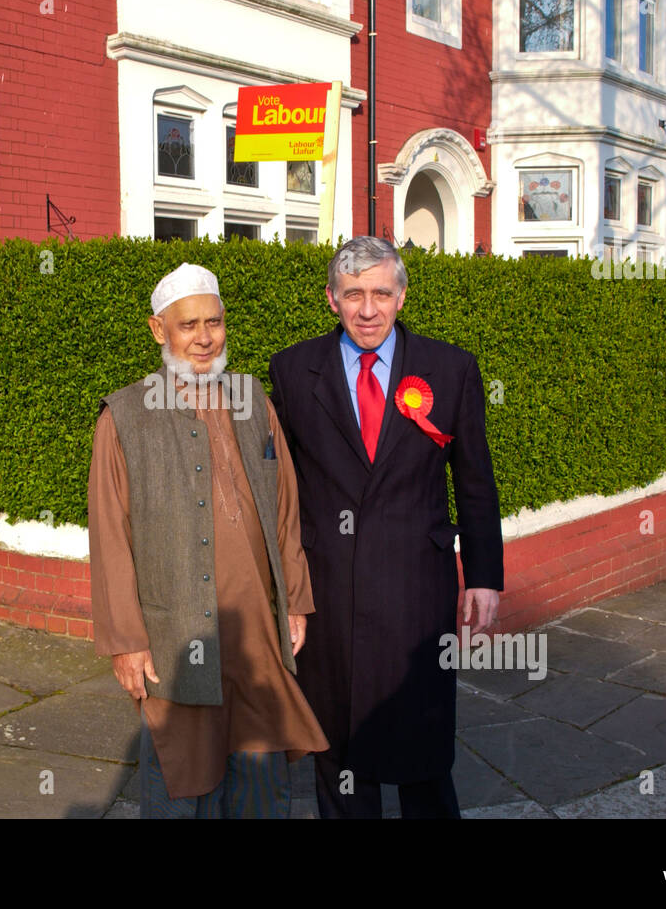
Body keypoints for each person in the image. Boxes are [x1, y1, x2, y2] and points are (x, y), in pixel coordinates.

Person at [268, 236, 504, 819]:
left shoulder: (450, 369)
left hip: (415, 591)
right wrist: (285, 588)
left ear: (401, 296)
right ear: (331, 299)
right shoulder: (294, 370)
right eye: (353, 294)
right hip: (330, 590)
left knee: (422, 749)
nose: (367, 309)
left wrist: (484, 577)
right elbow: (283, 490)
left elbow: (474, 480)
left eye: (379, 292)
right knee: (341, 754)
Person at [88, 262, 328, 818]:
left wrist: (294, 600)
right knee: (182, 783)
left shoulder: (253, 400)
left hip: (257, 637)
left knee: (262, 780)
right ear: (158, 330)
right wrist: (126, 640)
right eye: (188, 325)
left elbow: (285, 509)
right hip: (176, 636)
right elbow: (110, 537)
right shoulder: (124, 416)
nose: (203, 338)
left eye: (214, 323)